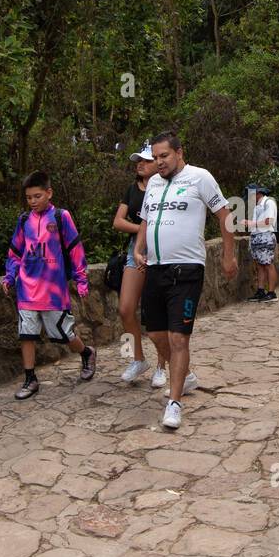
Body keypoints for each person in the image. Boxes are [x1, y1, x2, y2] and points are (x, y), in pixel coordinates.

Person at [134, 132, 238, 430]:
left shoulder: (200, 178)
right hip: (155, 269)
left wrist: (228, 256)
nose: (158, 162)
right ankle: (187, 376)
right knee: (155, 334)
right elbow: (146, 218)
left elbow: (225, 215)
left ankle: (175, 403)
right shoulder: (153, 183)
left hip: (187, 269)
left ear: (179, 152)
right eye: (154, 157)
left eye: (163, 156)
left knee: (179, 337)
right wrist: (139, 248)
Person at [2, 170, 96, 399]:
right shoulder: (24, 220)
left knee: (64, 334)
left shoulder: (61, 217)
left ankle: (86, 353)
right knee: (27, 334)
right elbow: (15, 251)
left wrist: (81, 280)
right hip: (27, 288)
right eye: (29, 198)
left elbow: (75, 249)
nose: (33, 202)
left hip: (53, 290)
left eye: (37, 196)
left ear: (49, 193)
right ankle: (30, 378)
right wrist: (9, 276)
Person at [112, 143, 168, 385]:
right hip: (135, 249)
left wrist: (147, 231)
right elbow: (118, 221)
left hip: (162, 247)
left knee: (158, 312)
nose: (141, 164)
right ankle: (138, 359)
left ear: (158, 162)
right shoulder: (132, 190)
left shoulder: (167, 187)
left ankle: (162, 366)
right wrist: (142, 230)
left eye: (146, 160)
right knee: (125, 308)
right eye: (139, 160)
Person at [239, 183, 279, 302]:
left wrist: (251, 224)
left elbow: (269, 221)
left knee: (268, 264)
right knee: (260, 265)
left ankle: (272, 293)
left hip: (265, 237)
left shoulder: (269, 203)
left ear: (257, 193)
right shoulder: (258, 205)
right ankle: (261, 291)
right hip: (257, 237)